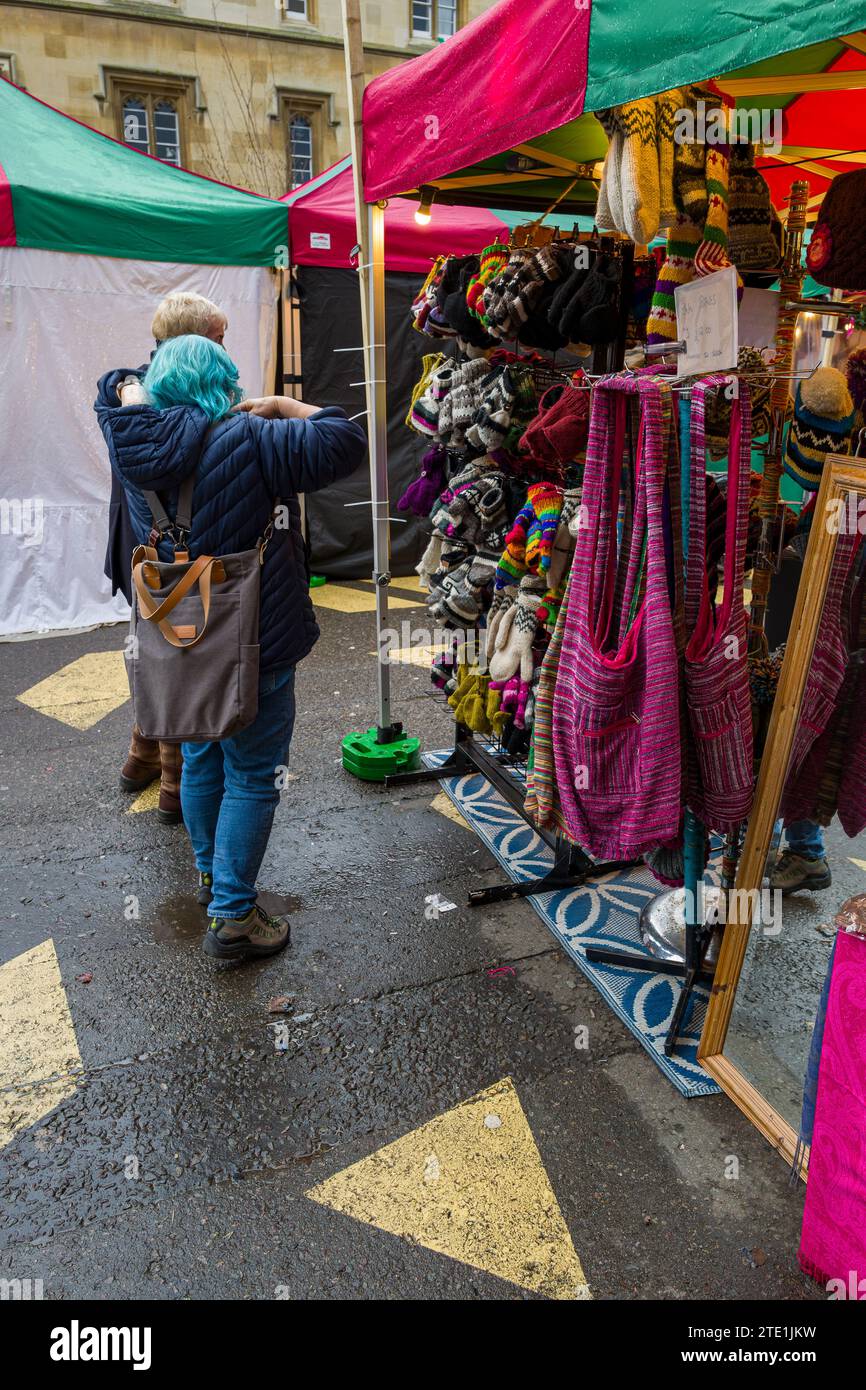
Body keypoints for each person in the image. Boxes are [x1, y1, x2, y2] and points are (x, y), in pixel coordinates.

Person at [95, 335, 367, 961]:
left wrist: (139, 388)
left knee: (199, 763)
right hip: (256, 639)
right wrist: (281, 404)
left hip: (178, 641)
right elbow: (344, 440)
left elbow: (112, 380)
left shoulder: (130, 440)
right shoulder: (248, 438)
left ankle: (212, 879)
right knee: (252, 775)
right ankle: (235, 918)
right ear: (224, 386)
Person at [105, 292, 229, 824]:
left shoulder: (127, 394)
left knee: (157, 655)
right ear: (193, 342)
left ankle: (143, 757)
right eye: (218, 339)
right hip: (188, 556)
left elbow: (113, 379)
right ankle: (174, 784)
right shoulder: (191, 405)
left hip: (141, 550)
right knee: (183, 664)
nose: (225, 348)